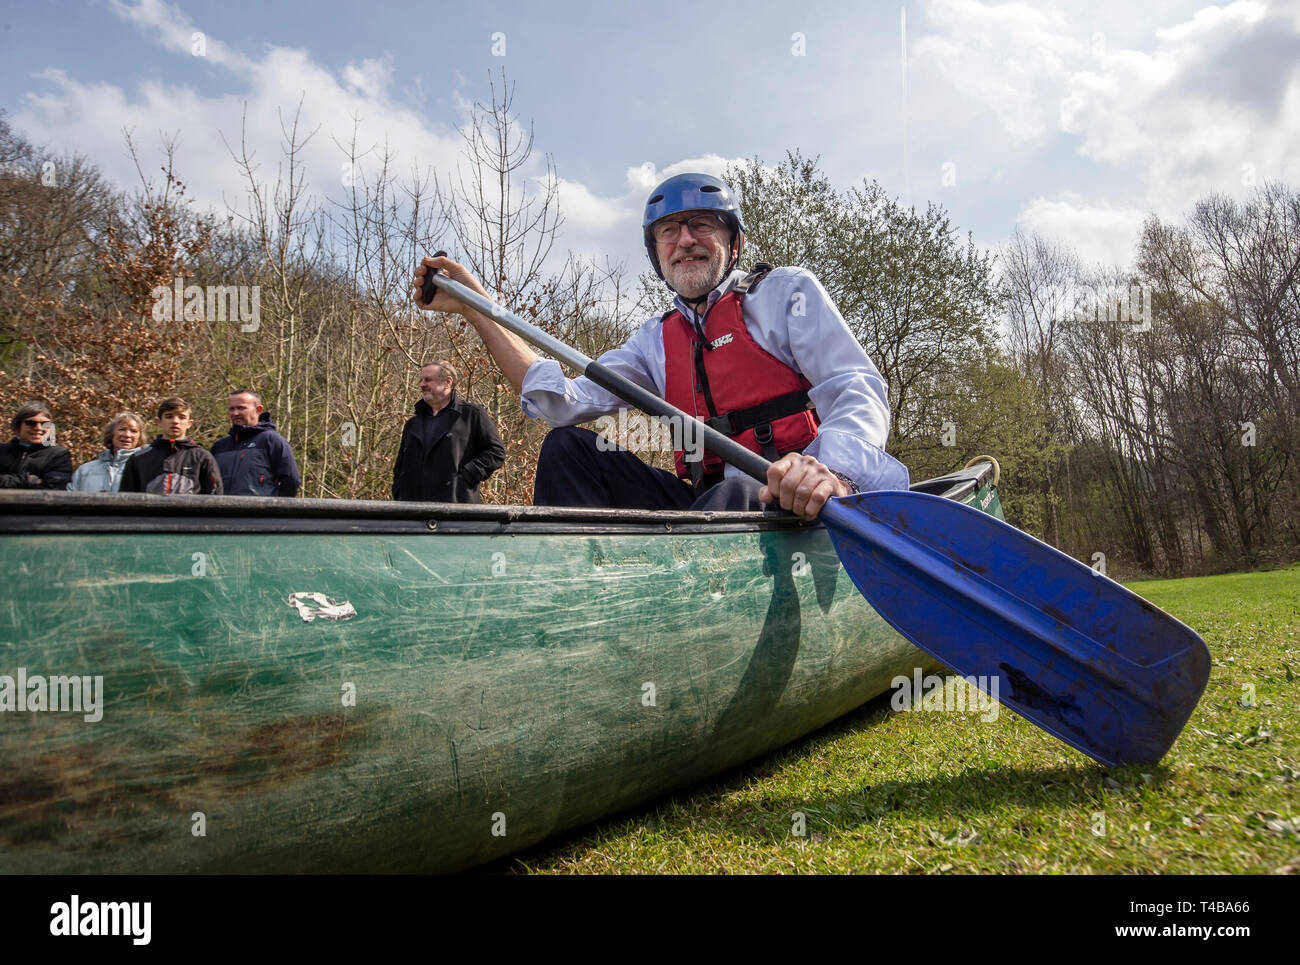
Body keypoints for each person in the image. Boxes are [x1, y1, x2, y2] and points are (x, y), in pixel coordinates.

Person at [411, 172, 907, 520]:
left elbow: (855, 387)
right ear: (657, 253)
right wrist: (478, 308)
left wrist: (833, 473)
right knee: (569, 448)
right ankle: (574, 599)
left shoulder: (784, 294)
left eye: (702, 225)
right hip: (706, 508)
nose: (685, 239)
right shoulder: (654, 340)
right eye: (669, 231)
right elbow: (561, 401)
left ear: (731, 244)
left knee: (736, 493)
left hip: (799, 502)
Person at [391, 360, 505, 503]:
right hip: (412, 512)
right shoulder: (412, 424)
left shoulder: (471, 415)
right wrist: (399, 491)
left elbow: (496, 452)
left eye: (427, 380)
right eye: (421, 380)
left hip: (456, 509)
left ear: (448, 382)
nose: (422, 385)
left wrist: (466, 477)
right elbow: (400, 467)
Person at [119, 397, 223, 495]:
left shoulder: (202, 457)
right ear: (158, 422)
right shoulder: (138, 458)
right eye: (169, 416)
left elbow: (215, 495)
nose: (175, 421)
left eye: (182, 417)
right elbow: (126, 498)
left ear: (189, 423)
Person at [210, 389, 301, 497]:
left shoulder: (272, 441)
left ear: (258, 409)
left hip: (259, 512)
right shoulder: (220, 446)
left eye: (241, 408)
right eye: (231, 409)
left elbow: (291, 481)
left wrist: (275, 509)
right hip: (222, 511)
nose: (235, 413)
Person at [67, 411, 147, 493]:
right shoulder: (85, 470)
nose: (127, 435)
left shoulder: (146, 469)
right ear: (111, 433)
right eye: (122, 429)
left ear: (140, 437)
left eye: (133, 431)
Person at [0, 402, 74, 490]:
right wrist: (27, 480)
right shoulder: (2, 451)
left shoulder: (59, 456)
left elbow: (53, 490)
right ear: (18, 426)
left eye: (44, 424)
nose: (38, 428)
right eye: (31, 423)